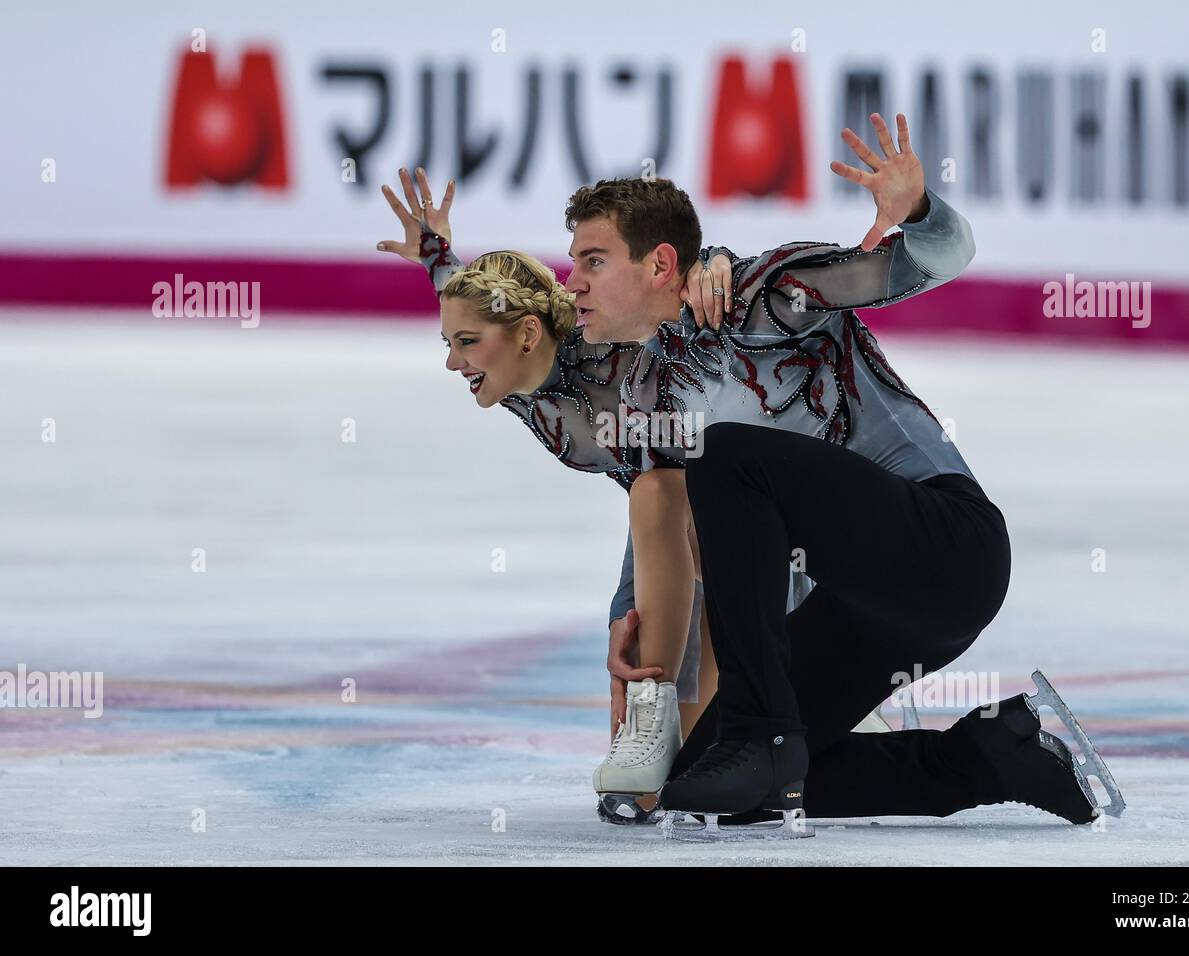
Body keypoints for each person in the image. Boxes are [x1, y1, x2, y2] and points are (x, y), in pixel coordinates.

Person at [376, 112, 1121, 829]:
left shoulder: (772, 297)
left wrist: (918, 207)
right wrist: (626, 628)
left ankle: (763, 733)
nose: (573, 281)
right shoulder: (646, 392)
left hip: (948, 551)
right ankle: (995, 756)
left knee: (726, 456)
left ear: (661, 264)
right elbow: (647, 501)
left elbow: (945, 256)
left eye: (593, 262)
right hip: (859, 614)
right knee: (702, 784)